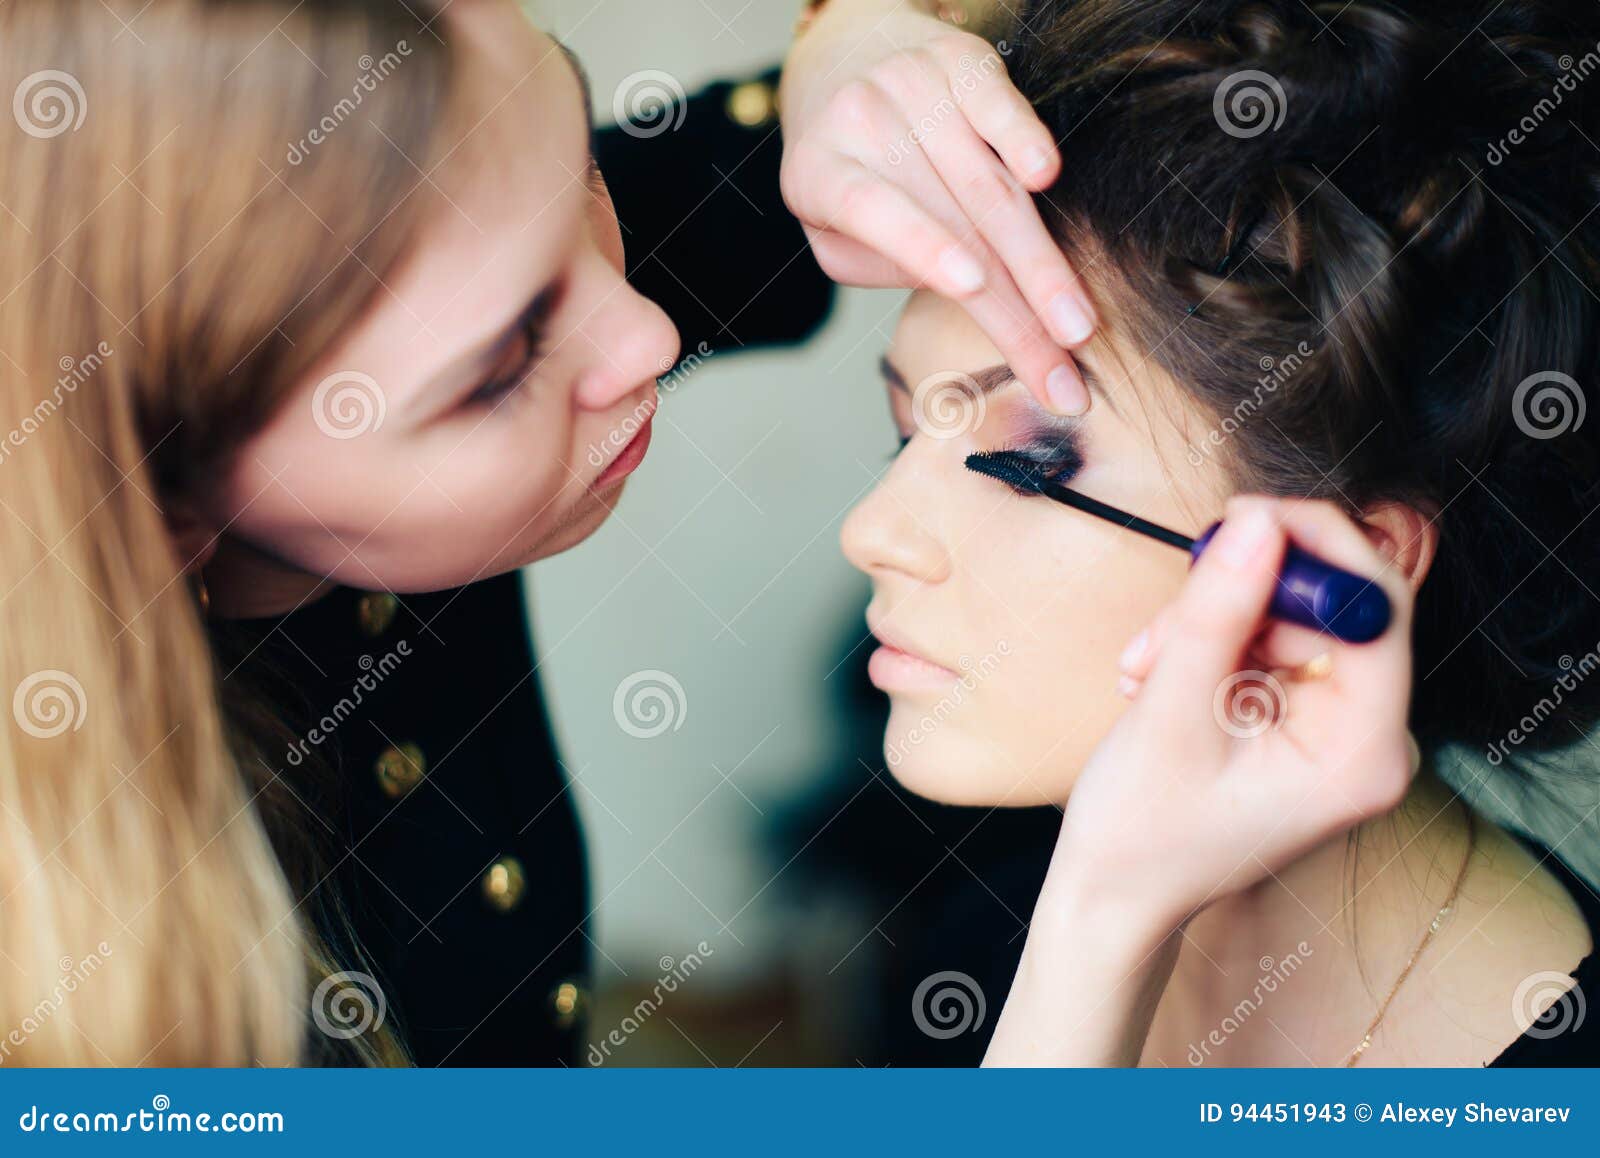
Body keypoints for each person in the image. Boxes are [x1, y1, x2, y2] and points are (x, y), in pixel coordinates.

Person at [0, 0, 1090, 1064]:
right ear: (162, 508)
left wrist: (852, 36)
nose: (649, 330)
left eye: (587, 170)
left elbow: (814, 160)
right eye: (500, 372)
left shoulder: (454, 236)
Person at [843, 0, 1599, 1065]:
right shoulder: (974, 958)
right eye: (900, 431)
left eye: (1023, 465)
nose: (871, 532)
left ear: (1344, 571)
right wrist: (1088, 947)